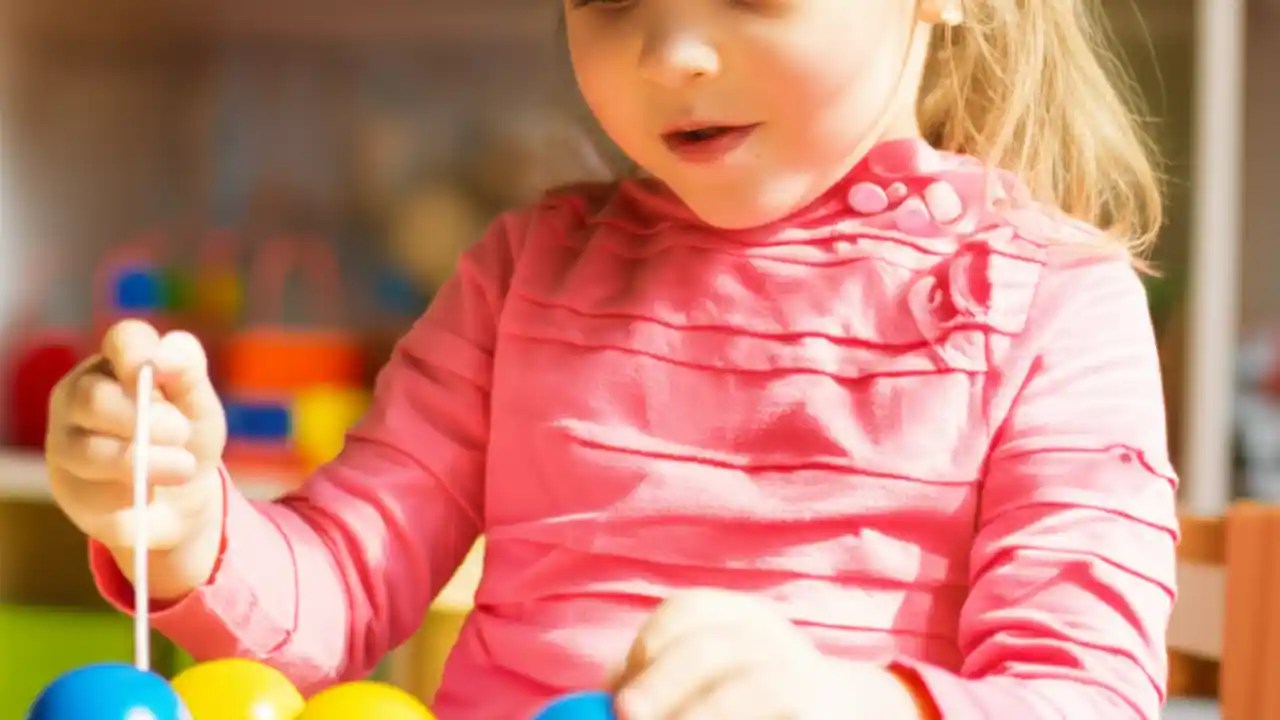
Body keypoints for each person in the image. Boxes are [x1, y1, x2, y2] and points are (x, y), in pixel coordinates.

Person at [45, 0, 1179, 717]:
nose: (672, 50)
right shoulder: (525, 274)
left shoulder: (1050, 302)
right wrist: (186, 523)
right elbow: (337, 591)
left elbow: (1082, 696)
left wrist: (845, 705)